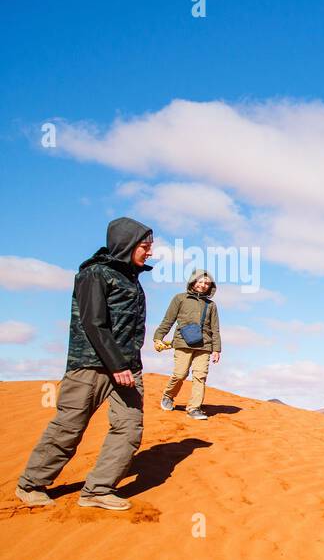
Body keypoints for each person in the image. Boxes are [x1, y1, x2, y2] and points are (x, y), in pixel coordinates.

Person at [15, 217, 153, 511]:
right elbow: (94, 323)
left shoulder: (131, 278)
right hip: (90, 366)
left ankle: (98, 489)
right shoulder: (95, 274)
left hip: (128, 369)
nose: (149, 252)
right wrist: (117, 364)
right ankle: (31, 484)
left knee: (129, 429)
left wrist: (129, 364)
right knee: (69, 427)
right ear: (127, 244)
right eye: (145, 246)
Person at [154, 269, 222, 419]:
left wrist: (217, 349)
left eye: (207, 283)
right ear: (193, 281)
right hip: (183, 342)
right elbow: (168, 320)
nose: (203, 285)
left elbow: (215, 328)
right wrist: (158, 337)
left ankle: (194, 408)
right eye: (200, 281)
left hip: (204, 345)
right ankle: (168, 395)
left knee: (200, 376)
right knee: (180, 374)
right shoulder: (180, 299)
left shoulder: (211, 305)